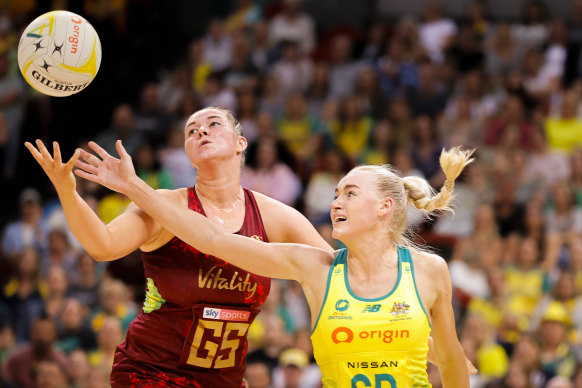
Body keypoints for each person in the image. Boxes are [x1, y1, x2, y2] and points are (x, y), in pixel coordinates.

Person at [25, 107, 475, 386]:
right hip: (154, 370)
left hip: (224, 376)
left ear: (241, 143)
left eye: (212, 123)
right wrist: (69, 190)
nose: (199, 130)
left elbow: (352, 276)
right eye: (190, 129)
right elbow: (103, 246)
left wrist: (429, 344)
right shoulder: (164, 205)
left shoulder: (277, 216)